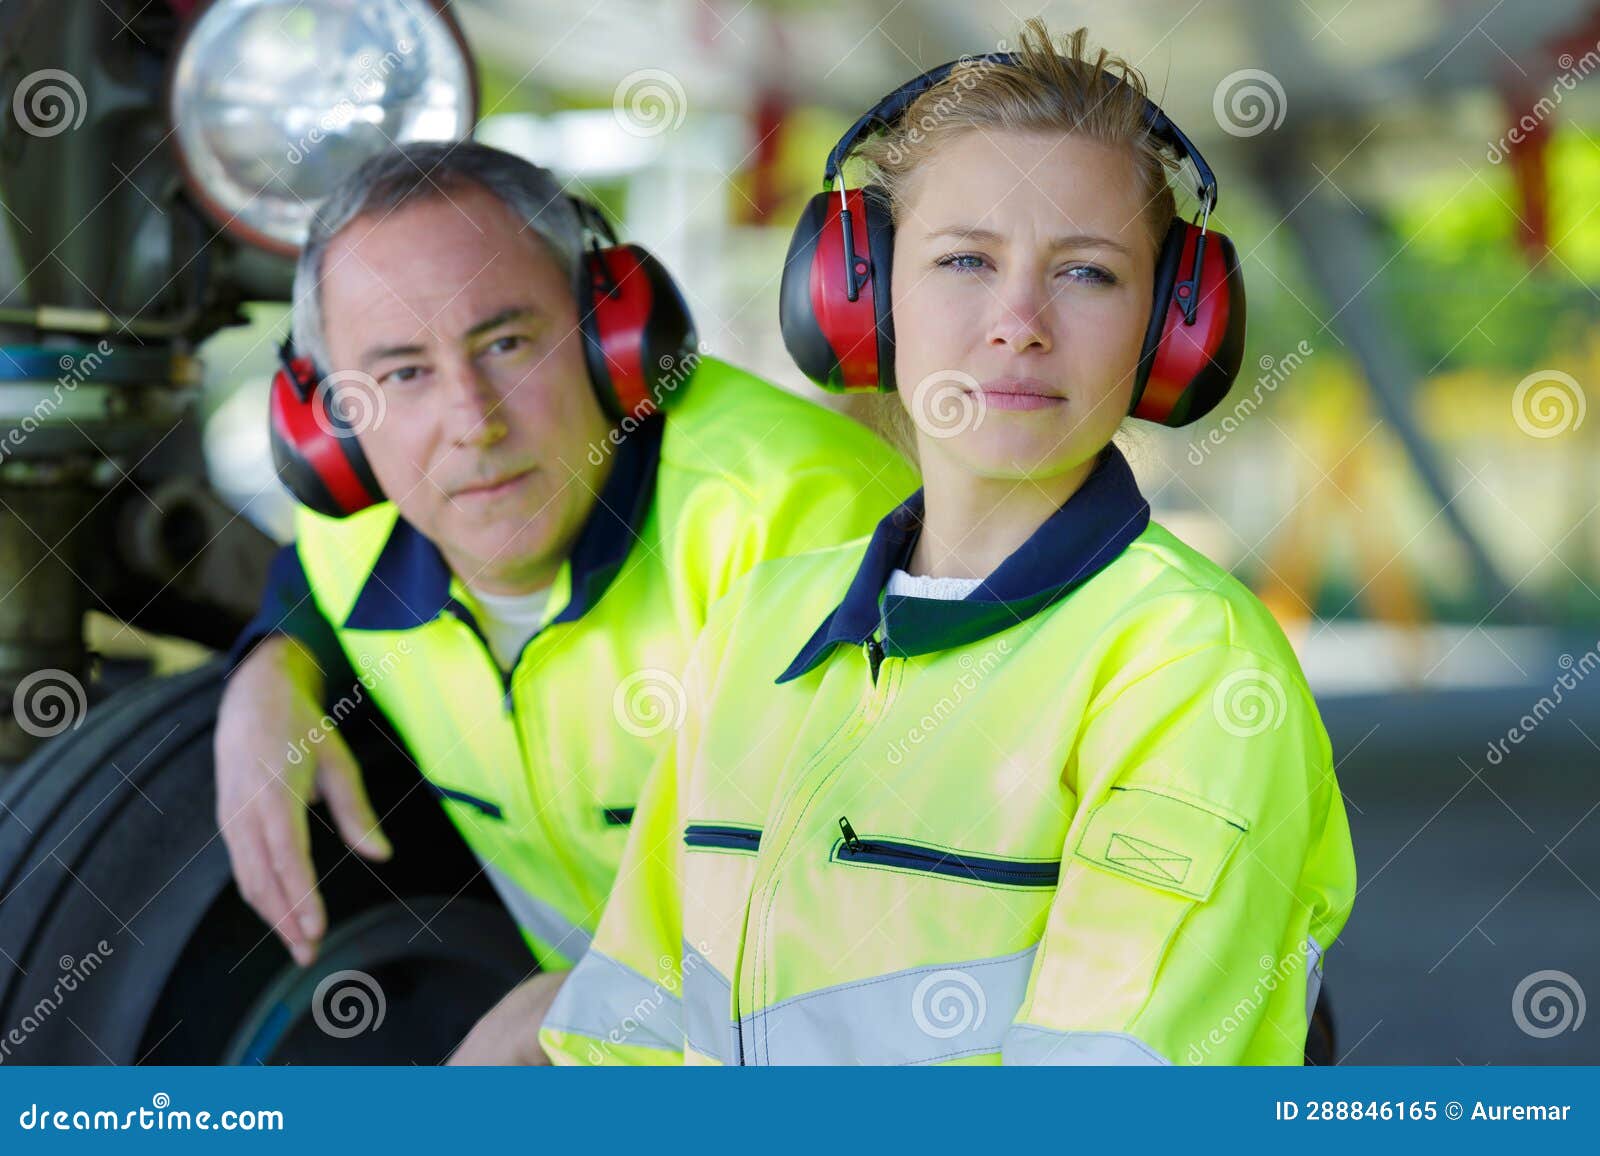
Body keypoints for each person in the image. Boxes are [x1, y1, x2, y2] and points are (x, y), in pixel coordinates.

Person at [539, 21, 1356, 1066]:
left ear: (1171, 332)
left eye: (1089, 274)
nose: (1019, 321)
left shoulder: (1190, 668)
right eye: (965, 258)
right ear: (862, 300)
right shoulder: (759, 622)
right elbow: (627, 1029)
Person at [214, 141, 919, 1063]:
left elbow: (882, 897)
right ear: (328, 428)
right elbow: (310, 581)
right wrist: (271, 673)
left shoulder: (802, 521)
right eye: (402, 374)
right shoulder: (350, 535)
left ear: (614, 335)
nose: (473, 421)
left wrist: (587, 1002)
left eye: (506, 343)